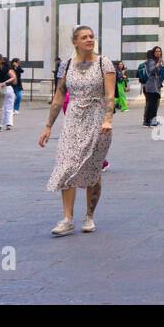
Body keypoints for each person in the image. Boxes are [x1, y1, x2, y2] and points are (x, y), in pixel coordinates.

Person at [39, 25, 116, 236]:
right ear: (75, 42)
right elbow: (58, 97)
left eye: (91, 36)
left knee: (92, 170)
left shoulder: (104, 63)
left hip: (97, 120)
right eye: (84, 37)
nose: (90, 40)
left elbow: (110, 94)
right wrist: (48, 127)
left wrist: (108, 119)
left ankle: (89, 215)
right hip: (73, 119)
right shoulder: (66, 65)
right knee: (66, 164)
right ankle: (67, 218)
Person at [138, 46, 164, 127]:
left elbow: (162, 74)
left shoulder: (156, 61)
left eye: (160, 51)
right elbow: (153, 71)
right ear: (153, 53)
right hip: (151, 86)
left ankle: (147, 121)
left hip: (152, 85)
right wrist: (159, 66)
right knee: (153, 104)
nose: (158, 53)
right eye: (156, 51)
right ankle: (151, 121)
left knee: (151, 104)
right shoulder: (152, 61)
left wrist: (162, 67)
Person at [0, 54, 17, 131]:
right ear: (2, 60)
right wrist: (5, 82)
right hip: (3, 87)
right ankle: (0, 125)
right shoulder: (5, 68)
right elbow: (13, 77)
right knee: (1, 108)